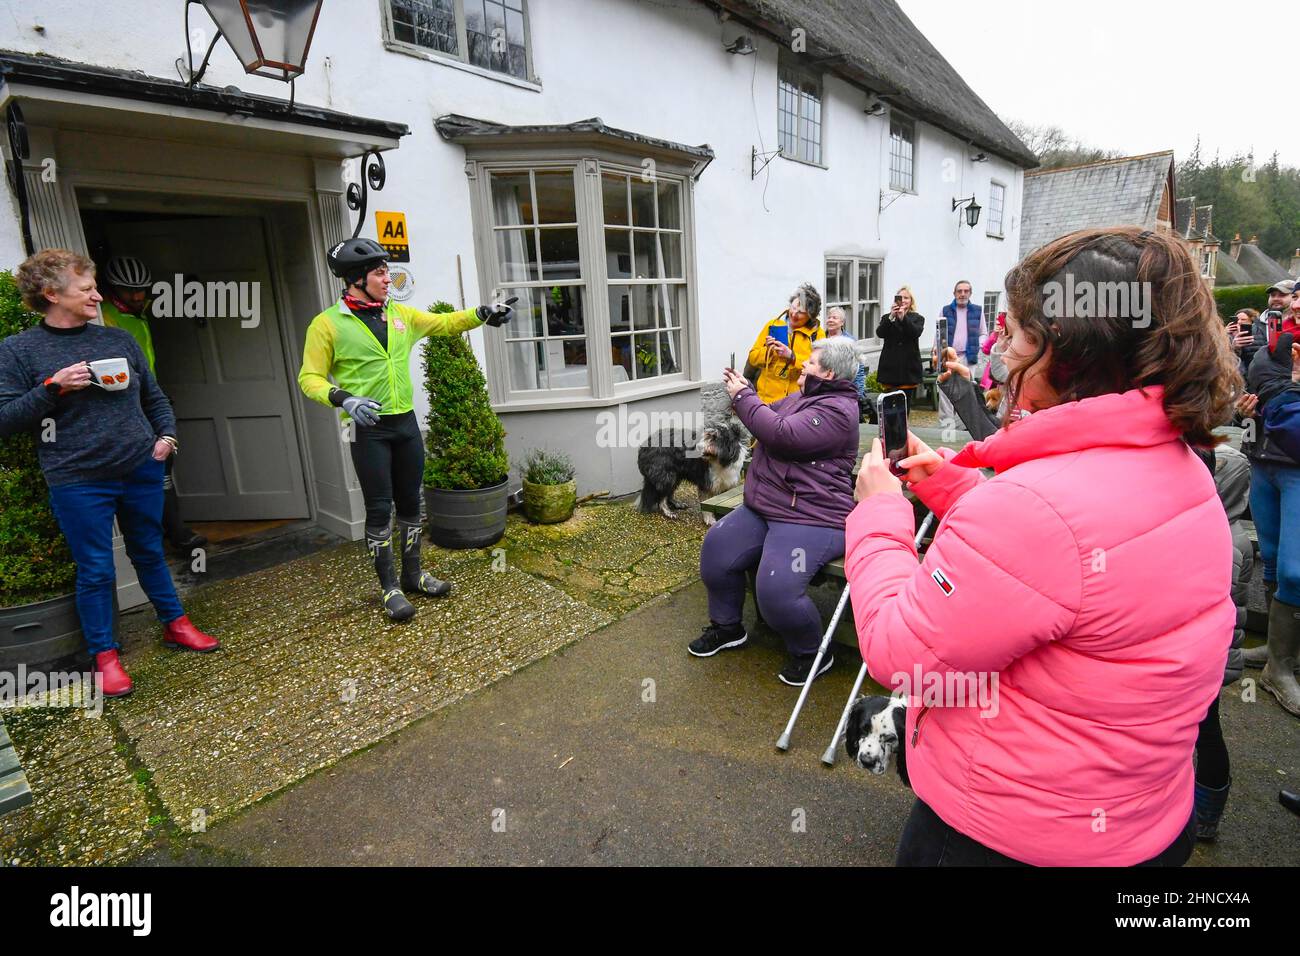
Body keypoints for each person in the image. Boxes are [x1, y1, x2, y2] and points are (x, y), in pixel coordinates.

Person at [846, 227, 1239, 866]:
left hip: (1009, 832)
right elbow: (1067, 567)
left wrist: (880, 515)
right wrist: (953, 486)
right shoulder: (1180, 466)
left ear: (1065, 354)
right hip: (1145, 821)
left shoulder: (1033, 511)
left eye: (1019, 333)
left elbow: (898, 652)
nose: (1000, 347)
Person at [0, 249, 220, 698]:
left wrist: (167, 437)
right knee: (96, 569)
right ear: (51, 293)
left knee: (150, 552)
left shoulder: (117, 341)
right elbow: (6, 419)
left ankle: (176, 624)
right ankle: (105, 656)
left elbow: (153, 397)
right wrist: (52, 389)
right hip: (77, 479)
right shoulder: (19, 350)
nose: (97, 295)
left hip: (139, 466)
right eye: (86, 289)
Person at [298, 238, 515, 622]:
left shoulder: (400, 315)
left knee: (412, 505)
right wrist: (343, 398)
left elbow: (445, 323)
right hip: (369, 431)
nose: (388, 278)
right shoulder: (327, 324)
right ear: (356, 279)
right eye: (381, 272)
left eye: (387, 270)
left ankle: (413, 575)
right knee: (380, 510)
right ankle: (390, 588)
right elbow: (309, 378)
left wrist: (483, 313)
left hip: (406, 424)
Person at [691, 337, 860, 686]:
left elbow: (781, 434)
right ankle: (727, 628)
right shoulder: (804, 397)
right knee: (717, 549)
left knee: (776, 589)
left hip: (812, 515)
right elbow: (765, 418)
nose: (802, 366)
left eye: (810, 363)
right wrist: (748, 394)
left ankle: (812, 652)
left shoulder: (837, 411)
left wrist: (741, 396)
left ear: (827, 372)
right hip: (767, 505)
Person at [100, 254, 206, 554]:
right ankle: (148, 539)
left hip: (151, 395)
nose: (136, 296)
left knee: (163, 469)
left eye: (142, 290)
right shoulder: (104, 316)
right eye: (127, 290)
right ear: (112, 288)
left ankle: (177, 533)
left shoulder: (142, 309)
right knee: (137, 472)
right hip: (124, 403)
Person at [1236, 289, 1300, 716]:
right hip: (1264, 460)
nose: (1293, 305)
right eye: (1294, 299)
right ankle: (1278, 656)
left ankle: (1282, 668)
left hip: (1295, 469)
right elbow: (1251, 399)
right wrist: (1246, 408)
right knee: (1274, 558)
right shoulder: (1274, 347)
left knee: (1296, 569)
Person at [1192, 444, 1251, 841]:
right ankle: (1205, 814)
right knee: (1206, 731)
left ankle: (1206, 815)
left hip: (1205, 660)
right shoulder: (1232, 533)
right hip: (1214, 658)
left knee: (1204, 733)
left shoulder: (1219, 540)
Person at [744, 283, 825, 404]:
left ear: (810, 315)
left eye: (801, 312)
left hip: (798, 402)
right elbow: (752, 357)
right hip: (767, 401)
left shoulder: (817, 334)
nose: (794, 313)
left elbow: (821, 367)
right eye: (793, 307)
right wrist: (768, 351)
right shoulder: (772, 325)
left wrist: (792, 356)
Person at [874, 286, 924, 410]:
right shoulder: (887, 318)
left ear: (911, 301)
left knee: (904, 406)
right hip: (890, 368)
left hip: (908, 368)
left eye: (906, 298)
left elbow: (915, 333)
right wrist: (892, 316)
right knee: (888, 406)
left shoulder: (917, 318)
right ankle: (889, 428)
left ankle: (902, 429)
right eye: (900, 298)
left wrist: (903, 318)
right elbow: (880, 333)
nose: (903, 300)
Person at [824, 305, 867, 399]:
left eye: (834, 318)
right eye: (829, 317)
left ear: (842, 322)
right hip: (824, 388)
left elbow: (858, 369)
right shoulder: (820, 339)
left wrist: (858, 393)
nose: (830, 320)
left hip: (844, 389)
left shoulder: (850, 341)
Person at [940, 281, 983, 368]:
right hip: (949, 357)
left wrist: (977, 346)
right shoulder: (945, 310)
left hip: (969, 358)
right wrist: (937, 351)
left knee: (967, 381)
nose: (963, 294)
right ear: (954, 293)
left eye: (966, 291)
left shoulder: (978, 311)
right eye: (959, 291)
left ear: (970, 293)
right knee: (949, 382)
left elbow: (983, 333)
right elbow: (939, 334)